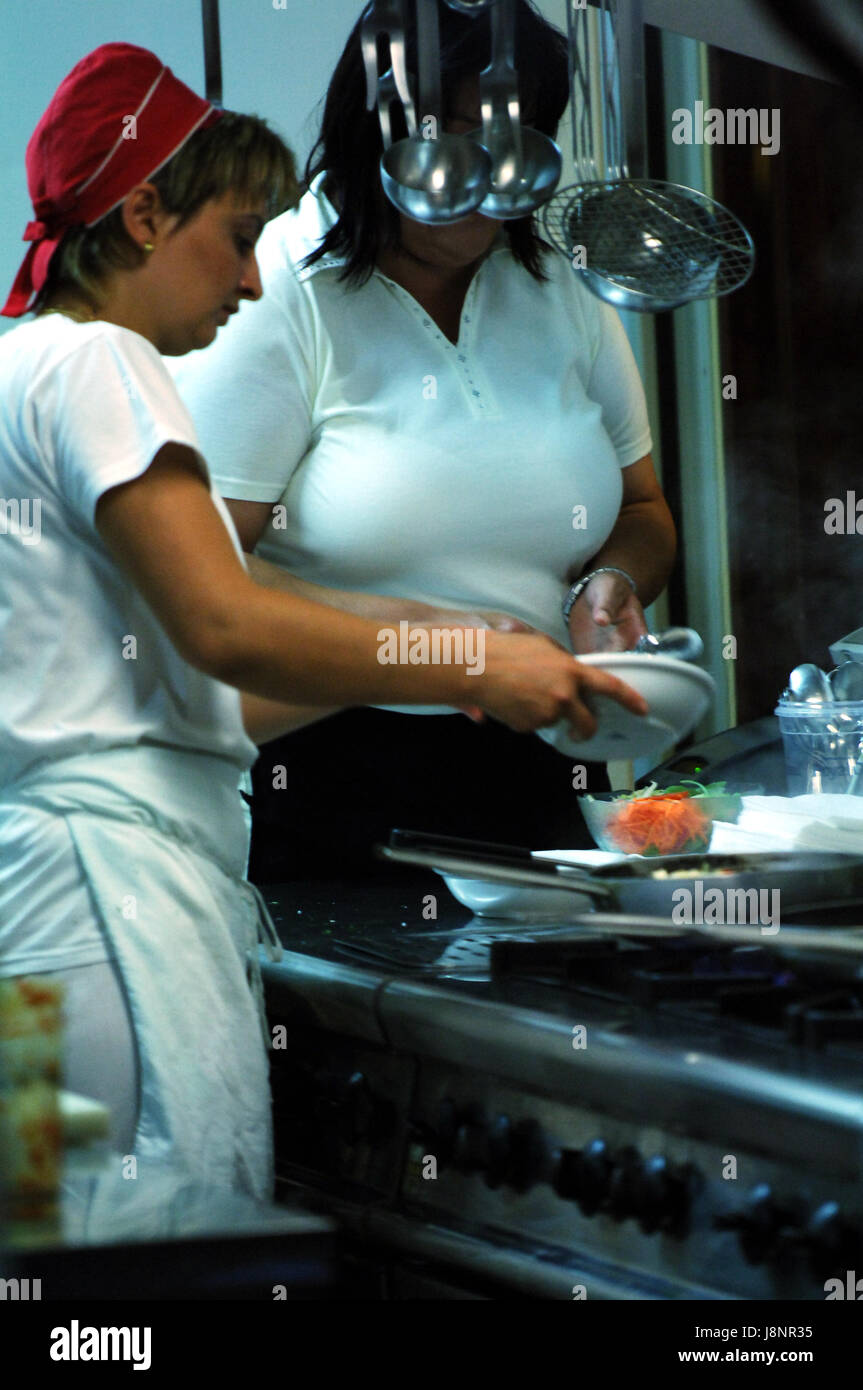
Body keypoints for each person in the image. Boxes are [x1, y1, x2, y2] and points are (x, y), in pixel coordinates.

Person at [0, 43, 647, 1200]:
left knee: (50, 1238)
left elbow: (207, 635)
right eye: (238, 239)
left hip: (42, 906)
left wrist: (456, 639)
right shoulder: (103, 364)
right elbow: (227, 627)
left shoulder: (25, 364)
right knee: (143, 1244)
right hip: (109, 909)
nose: (254, 283)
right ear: (144, 215)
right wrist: (462, 656)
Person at [171, 0, 677, 880]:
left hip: (541, 755)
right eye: (450, 138)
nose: (480, 182)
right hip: (336, 774)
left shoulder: (558, 285)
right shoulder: (281, 290)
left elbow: (641, 509)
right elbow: (202, 571)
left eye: (513, 145)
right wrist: (434, 643)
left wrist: (609, 584)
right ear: (376, 135)